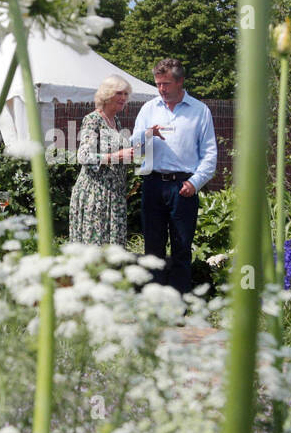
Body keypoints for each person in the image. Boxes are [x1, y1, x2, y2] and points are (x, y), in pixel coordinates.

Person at [129, 58, 218, 293]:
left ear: (180, 82)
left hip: (183, 186)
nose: (161, 89)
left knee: (181, 247)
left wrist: (195, 182)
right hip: (153, 185)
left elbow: (210, 155)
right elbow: (133, 145)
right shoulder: (149, 109)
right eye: (158, 84)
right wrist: (148, 134)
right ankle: (154, 302)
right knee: (152, 249)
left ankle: (178, 305)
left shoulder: (200, 111)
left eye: (166, 84)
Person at [70, 75, 135, 246]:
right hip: (96, 196)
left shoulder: (116, 121)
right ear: (107, 95)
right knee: (96, 251)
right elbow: (84, 156)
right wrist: (116, 157)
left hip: (114, 196)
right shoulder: (93, 120)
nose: (124, 98)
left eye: (126, 94)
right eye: (119, 93)